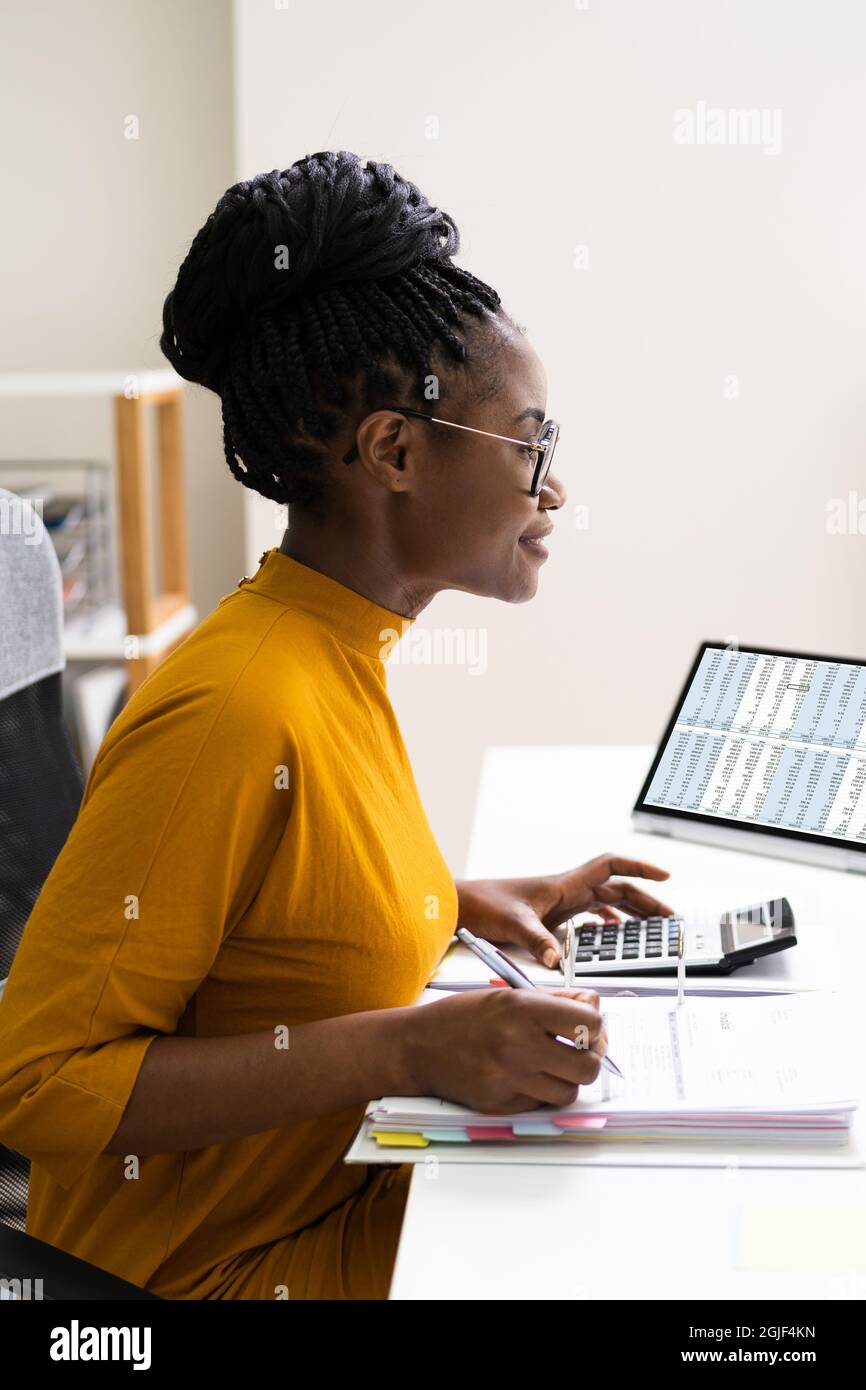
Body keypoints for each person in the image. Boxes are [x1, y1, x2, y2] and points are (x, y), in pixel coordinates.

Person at [0, 151, 672, 1299]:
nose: (551, 489)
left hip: (337, 1200)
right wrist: (407, 1047)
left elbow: (276, 922)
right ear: (394, 452)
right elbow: (40, 1081)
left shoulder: (334, 652)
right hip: (214, 1275)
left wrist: (456, 899)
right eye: (530, 444)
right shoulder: (237, 703)